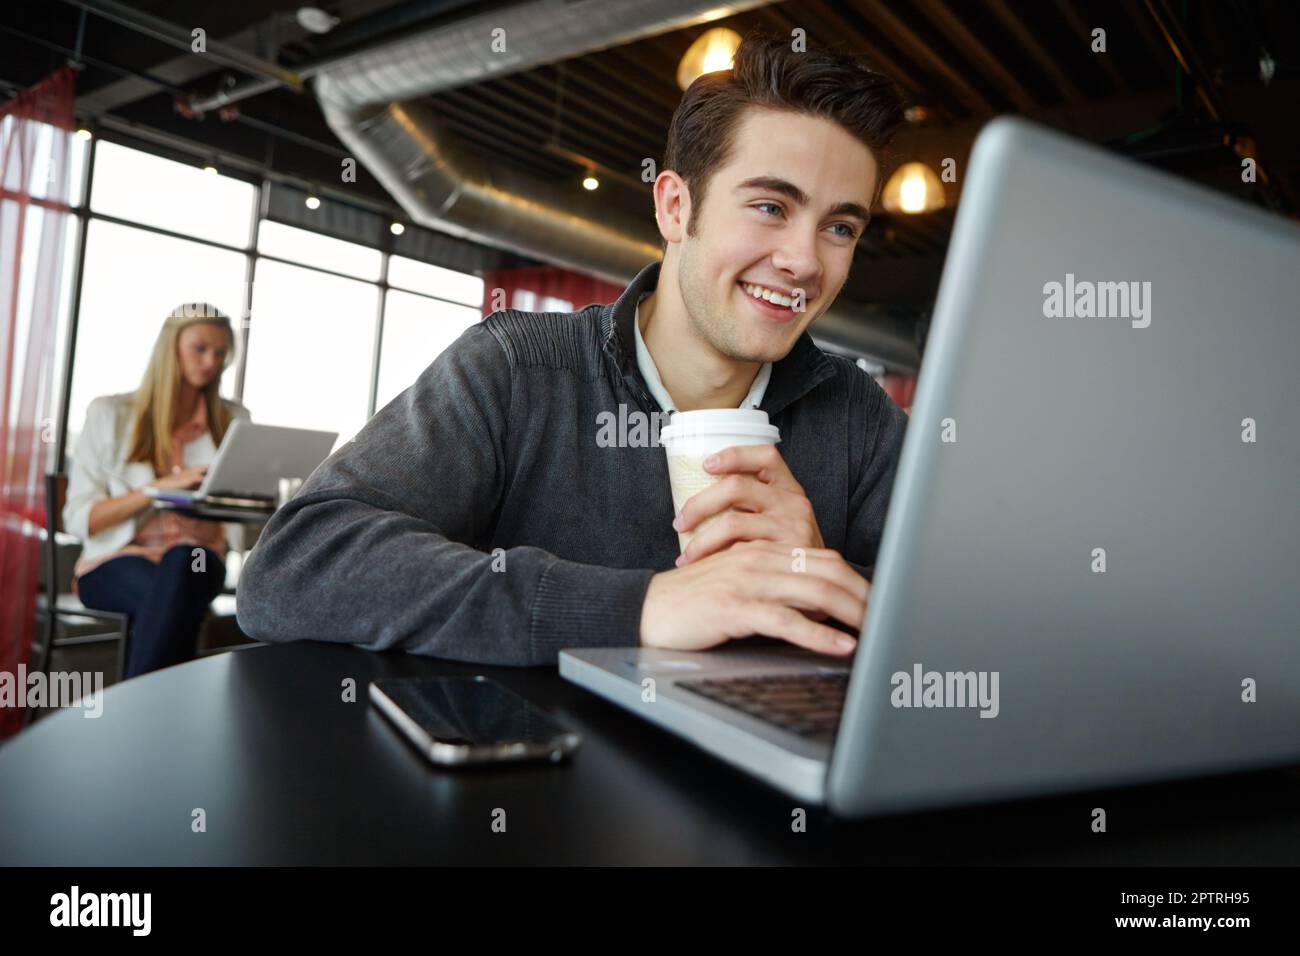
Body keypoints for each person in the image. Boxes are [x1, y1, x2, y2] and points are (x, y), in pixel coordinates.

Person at [236, 33, 909, 665]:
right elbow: (296, 566)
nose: (803, 260)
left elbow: (978, 618)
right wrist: (638, 607)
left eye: (840, 227)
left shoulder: (857, 416)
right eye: (770, 206)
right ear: (676, 208)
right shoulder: (518, 369)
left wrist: (829, 576)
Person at [64, 303, 250, 678]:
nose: (211, 361)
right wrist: (156, 489)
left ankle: (133, 716)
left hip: (196, 563)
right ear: (171, 348)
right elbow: (80, 520)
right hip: (114, 562)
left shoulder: (234, 421)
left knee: (181, 566)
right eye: (200, 348)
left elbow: (243, 519)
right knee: (173, 603)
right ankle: (155, 722)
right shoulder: (109, 414)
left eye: (220, 352)